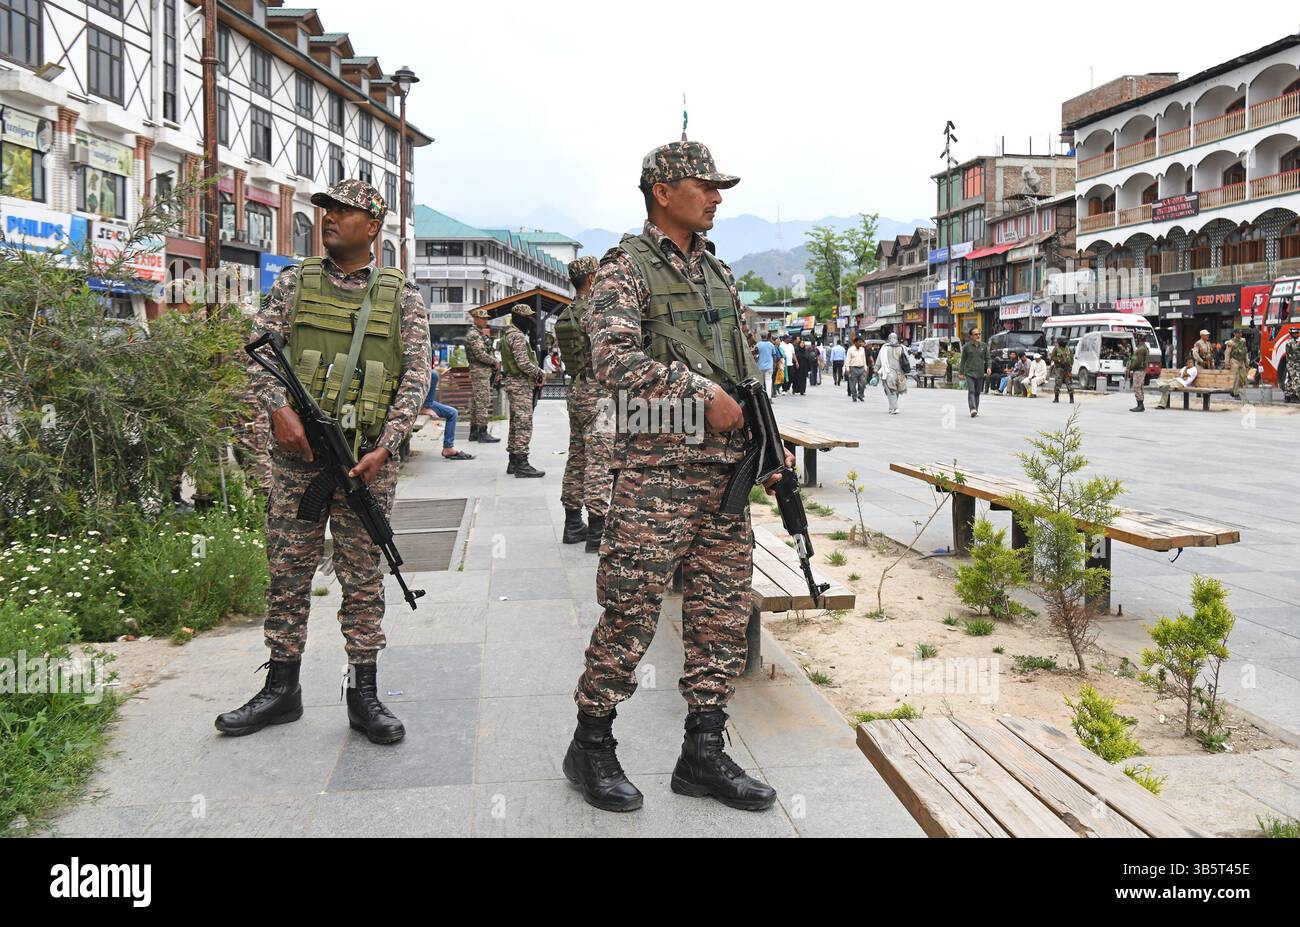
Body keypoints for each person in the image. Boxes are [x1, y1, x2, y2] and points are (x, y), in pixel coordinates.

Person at [565, 140, 787, 814]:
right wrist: (698, 395)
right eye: (705, 185)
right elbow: (613, 362)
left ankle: (703, 750)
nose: (717, 196)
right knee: (630, 613)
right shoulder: (622, 271)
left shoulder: (717, 274)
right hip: (656, 479)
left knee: (719, 616)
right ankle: (591, 743)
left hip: (724, 479)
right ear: (663, 191)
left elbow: (745, 374)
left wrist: (769, 448)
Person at [216, 179, 430, 745]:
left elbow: (415, 375)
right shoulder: (293, 284)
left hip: (365, 462)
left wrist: (388, 444)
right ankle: (281, 686)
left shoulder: (401, 297)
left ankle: (364, 692)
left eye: (344, 210)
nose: (330, 217)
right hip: (296, 463)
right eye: (326, 209)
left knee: (363, 578)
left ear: (373, 226)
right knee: (287, 572)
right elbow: (257, 353)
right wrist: (278, 410)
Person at [556, 255, 614, 550]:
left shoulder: (565, 315)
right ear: (591, 279)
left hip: (575, 390)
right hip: (598, 392)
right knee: (599, 461)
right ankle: (596, 530)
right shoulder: (594, 312)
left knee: (577, 457)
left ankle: (572, 524)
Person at [501, 303, 547, 477]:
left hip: (514, 383)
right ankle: (521, 463)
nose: (530, 321)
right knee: (523, 424)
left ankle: (513, 461)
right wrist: (540, 373)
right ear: (519, 318)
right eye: (527, 318)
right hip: (520, 384)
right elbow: (523, 363)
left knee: (515, 423)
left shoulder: (508, 334)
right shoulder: (517, 336)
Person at [418, 364, 475, 460]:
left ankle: (448, 448)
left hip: (422, 399)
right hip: (413, 402)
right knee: (433, 374)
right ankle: (424, 408)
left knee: (452, 413)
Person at [463, 307, 502, 443]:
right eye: (483, 318)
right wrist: (495, 361)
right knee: (482, 402)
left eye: (486, 318)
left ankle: (474, 432)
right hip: (480, 371)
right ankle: (482, 432)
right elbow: (480, 354)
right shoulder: (474, 334)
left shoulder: (477, 333)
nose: (486, 320)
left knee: (476, 402)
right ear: (476, 319)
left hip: (480, 371)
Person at [960, 329, 991, 417]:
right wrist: (961, 372)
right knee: (972, 391)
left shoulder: (984, 346)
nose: (978, 336)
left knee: (977, 392)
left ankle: (975, 410)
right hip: (969, 372)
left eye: (979, 334)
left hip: (980, 373)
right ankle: (972, 408)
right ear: (971, 336)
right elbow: (963, 361)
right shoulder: (966, 347)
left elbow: (988, 358)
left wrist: (988, 367)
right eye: (976, 334)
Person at [878, 331, 907, 415]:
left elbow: (906, 359)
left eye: (894, 337)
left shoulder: (899, 348)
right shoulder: (886, 348)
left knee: (894, 391)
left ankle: (893, 407)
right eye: (892, 337)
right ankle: (894, 407)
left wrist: (876, 369)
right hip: (893, 372)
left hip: (894, 372)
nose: (893, 339)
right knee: (893, 391)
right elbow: (879, 360)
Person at [1225, 329, 1249, 399]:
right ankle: (1236, 393)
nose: (1240, 334)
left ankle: (1233, 391)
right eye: (1239, 333)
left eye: (1241, 333)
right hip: (1234, 361)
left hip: (1241, 361)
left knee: (1243, 377)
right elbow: (1227, 353)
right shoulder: (1231, 342)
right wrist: (1227, 363)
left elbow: (1245, 352)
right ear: (1235, 334)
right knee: (1237, 377)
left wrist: (1246, 363)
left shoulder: (1243, 341)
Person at [1050, 338, 1075, 404]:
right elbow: (1052, 357)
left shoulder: (1068, 349)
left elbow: (1072, 359)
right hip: (1059, 368)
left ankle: (1071, 398)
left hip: (1067, 369)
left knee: (1069, 382)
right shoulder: (1056, 349)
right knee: (1058, 382)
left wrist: (1070, 366)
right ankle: (1056, 398)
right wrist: (1058, 360)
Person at [1129, 336, 1150, 412]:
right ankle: (1141, 405)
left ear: (1139, 340)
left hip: (1138, 370)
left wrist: (1130, 368)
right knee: (1140, 387)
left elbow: (1137, 361)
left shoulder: (1141, 349)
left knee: (1137, 387)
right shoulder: (1144, 348)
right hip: (1141, 370)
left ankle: (1140, 405)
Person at [756, 332, 779, 398]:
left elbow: (755, 354)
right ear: (767, 337)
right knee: (768, 382)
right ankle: (769, 397)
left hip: (760, 366)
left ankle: (761, 397)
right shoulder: (771, 345)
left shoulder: (758, 344)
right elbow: (774, 356)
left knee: (761, 383)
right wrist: (774, 364)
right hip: (769, 367)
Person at [845, 336, 868, 401]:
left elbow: (864, 359)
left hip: (861, 368)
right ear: (855, 342)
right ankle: (854, 396)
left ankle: (860, 395)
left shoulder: (862, 349)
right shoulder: (850, 350)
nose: (860, 343)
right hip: (853, 368)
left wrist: (865, 368)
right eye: (859, 342)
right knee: (853, 384)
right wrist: (847, 369)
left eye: (861, 342)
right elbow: (847, 360)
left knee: (862, 383)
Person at [1285, 329, 1300, 403]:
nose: (1297, 334)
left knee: (1290, 380)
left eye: (1297, 333)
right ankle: (1295, 396)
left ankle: (1288, 396)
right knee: (1296, 379)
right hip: (1292, 364)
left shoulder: (1297, 341)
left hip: (1295, 363)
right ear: (1291, 334)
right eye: (1295, 333)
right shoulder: (1289, 342)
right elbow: (1289, 355)